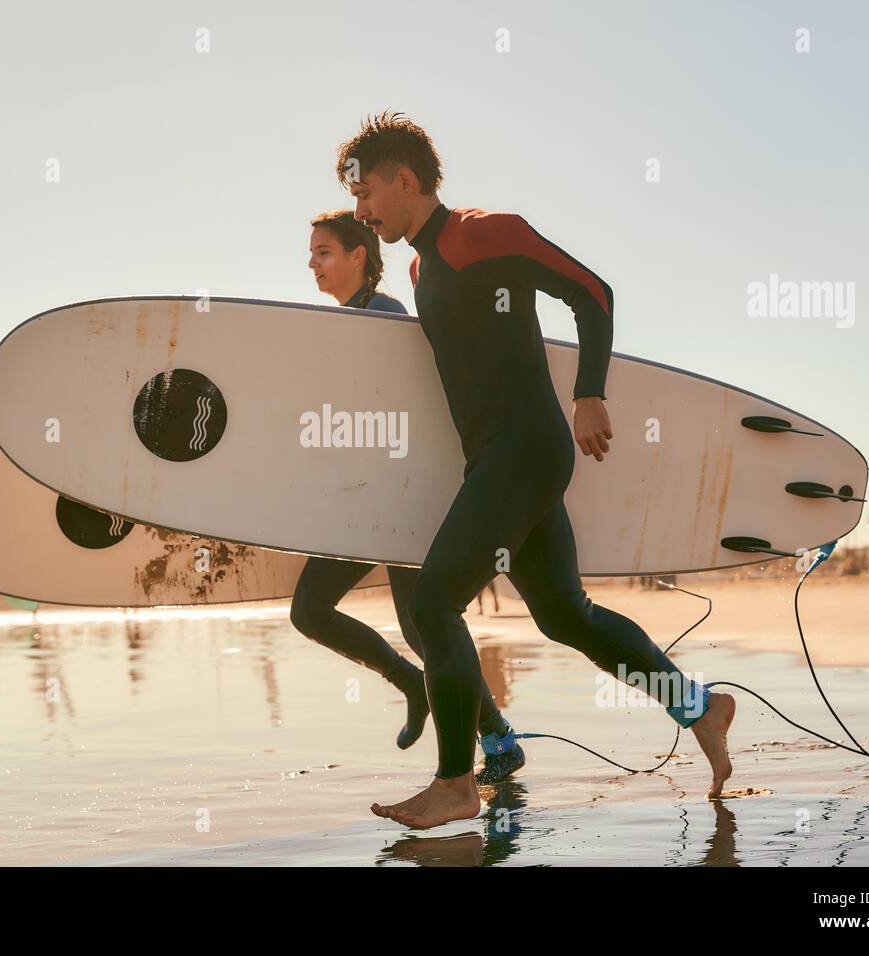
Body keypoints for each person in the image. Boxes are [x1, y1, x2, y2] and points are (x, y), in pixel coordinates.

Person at [331, 112, 737, 829]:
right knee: (563, 616)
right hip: (497, 458)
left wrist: (589, 392)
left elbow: (593, 292)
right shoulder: (424, 268)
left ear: (403, 178)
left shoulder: (485, 233)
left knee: (431, 607)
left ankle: (456, 783)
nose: (362, 211)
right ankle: (700, 708)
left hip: (526, 451)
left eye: (366, 194)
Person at [290, 209, 525, 784]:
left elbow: (405, 413)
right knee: (312, 612)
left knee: (422, 624)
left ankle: (495, 738)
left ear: (357, 256)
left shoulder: (385, 315)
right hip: (366, 502)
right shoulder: (348, 322)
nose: (312, 262)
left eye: (324, 251)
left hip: (402, 496)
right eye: (311, 252)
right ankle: (417, 690)